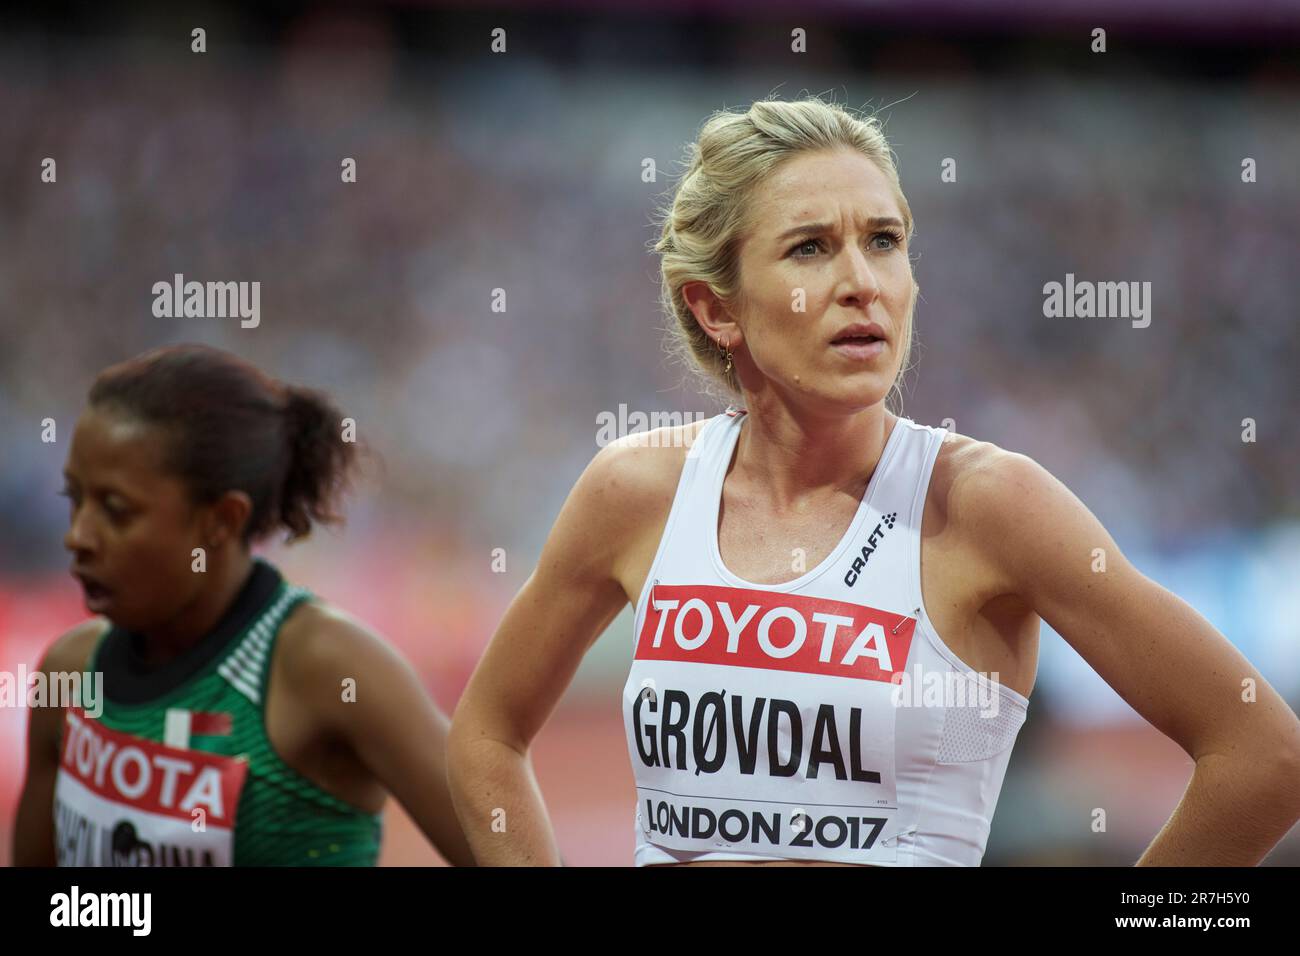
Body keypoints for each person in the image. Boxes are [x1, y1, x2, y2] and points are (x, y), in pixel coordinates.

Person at [446, 96, 1300, 867]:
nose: (862, 283)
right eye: (810, 249)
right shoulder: (634, 493)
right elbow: (485, 733)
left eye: (883, 241)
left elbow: (1264, 756)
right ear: (717, 307)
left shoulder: (986, 503)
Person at [12, 344, 474, 867]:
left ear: (222, 520)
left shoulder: (327, 670)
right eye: (73, 500)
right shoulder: (72, 674)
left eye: (116, 511)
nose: (78, 536)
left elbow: (516, 855)